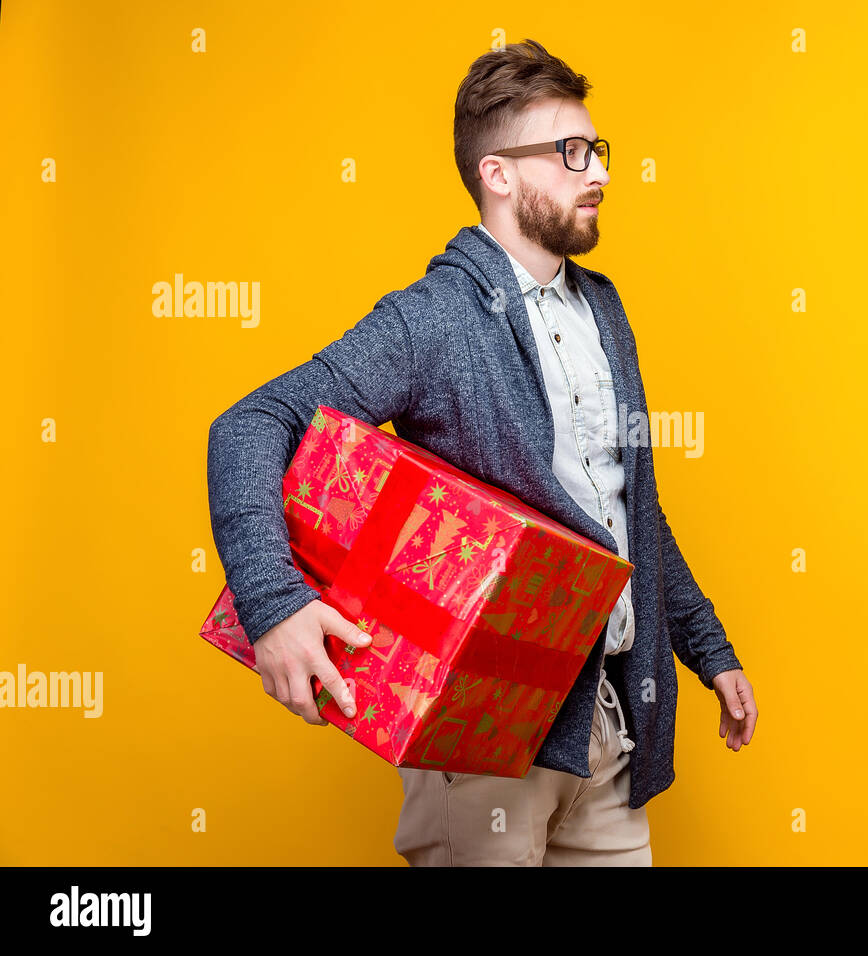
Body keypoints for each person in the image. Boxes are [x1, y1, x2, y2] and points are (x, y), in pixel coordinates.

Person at [206, 38, 757, 867]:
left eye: (597, 151)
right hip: (486, 742)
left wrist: (708, 650)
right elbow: (249, 423)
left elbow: (628, 508)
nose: (599, 173)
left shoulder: (605, 310)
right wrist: (274, 607)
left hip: (606, 729)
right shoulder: (431, 319)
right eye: (571, 154)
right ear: (497, 175)